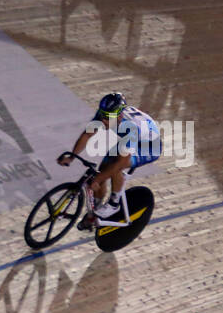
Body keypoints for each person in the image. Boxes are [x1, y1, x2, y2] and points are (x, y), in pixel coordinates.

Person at [56, 92, 160, 227]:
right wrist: (71, 157)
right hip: (132, 140)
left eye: (108, 118)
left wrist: (97, 180)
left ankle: (114, 203)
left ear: (120, 115)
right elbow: (87, 135)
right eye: (102, 116)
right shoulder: (105, 113)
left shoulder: (131, 127)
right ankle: (95, 212)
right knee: (103, 170)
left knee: (115, 166)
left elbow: (120, 163)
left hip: (149, 146)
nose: (103, 121)